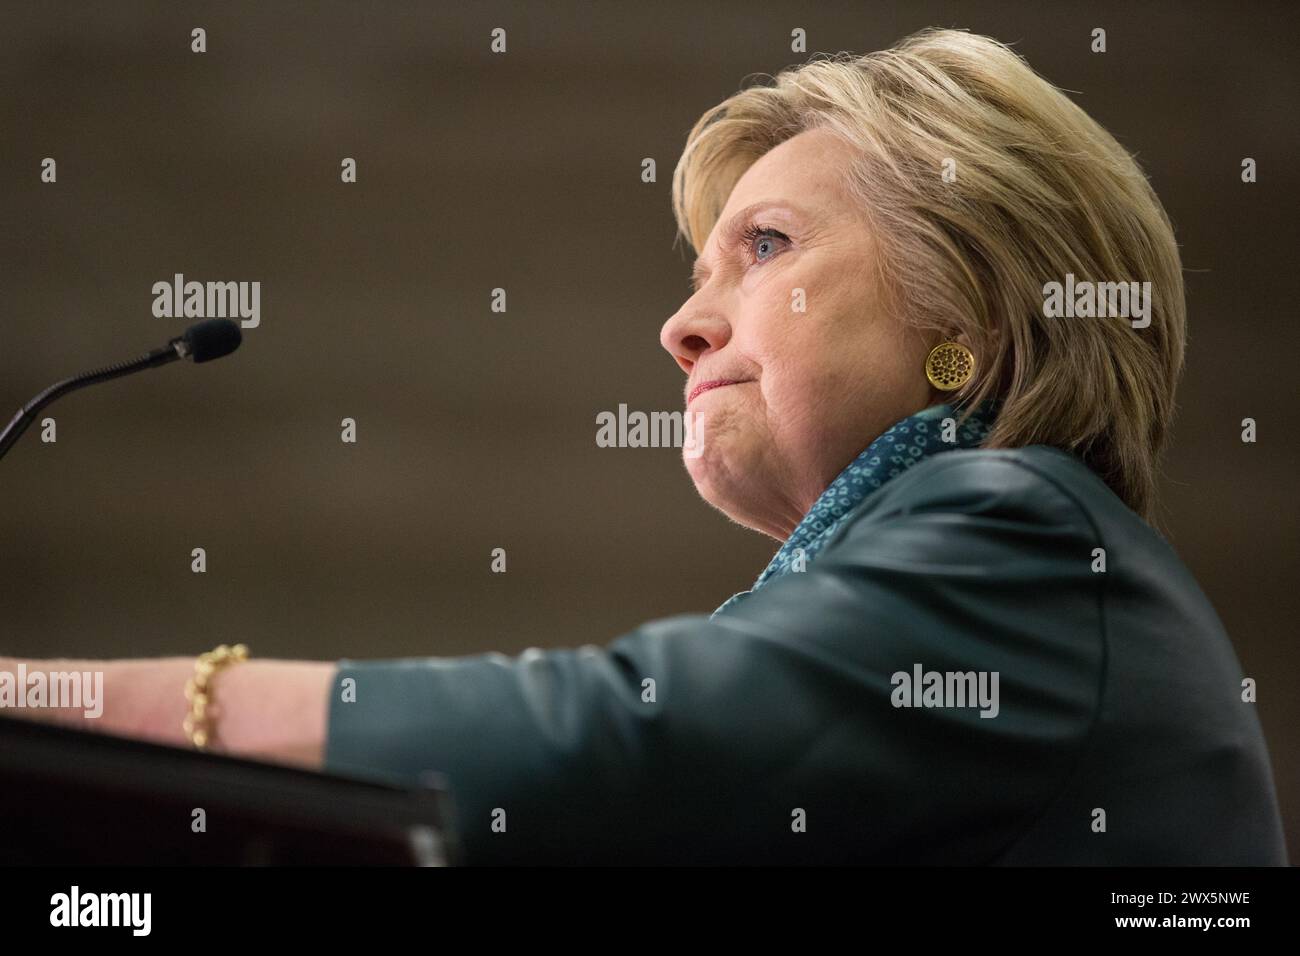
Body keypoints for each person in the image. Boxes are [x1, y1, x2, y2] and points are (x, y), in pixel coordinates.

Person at [1, 28, 1287, 865]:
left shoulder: (1025, 542)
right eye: (698, 268)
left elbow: (605, 742)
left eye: (766, 246)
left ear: (971, 308)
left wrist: (53, 708)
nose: (681, 324)